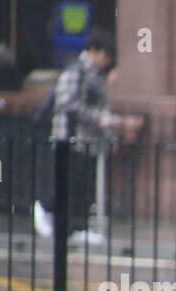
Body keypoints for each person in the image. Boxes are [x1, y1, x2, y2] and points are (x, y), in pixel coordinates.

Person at [33, 28, 118, 246]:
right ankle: (45, 208)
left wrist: (109, 131)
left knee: (81, 187)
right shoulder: (75, 72)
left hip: (89, 140)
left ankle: (76, 228)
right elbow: (66, 103)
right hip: (70, 137)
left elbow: (99, 106)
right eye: (105, 56)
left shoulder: (97, 76)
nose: (106, 61)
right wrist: (97, 118)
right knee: (68, 185)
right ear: (94, 51)